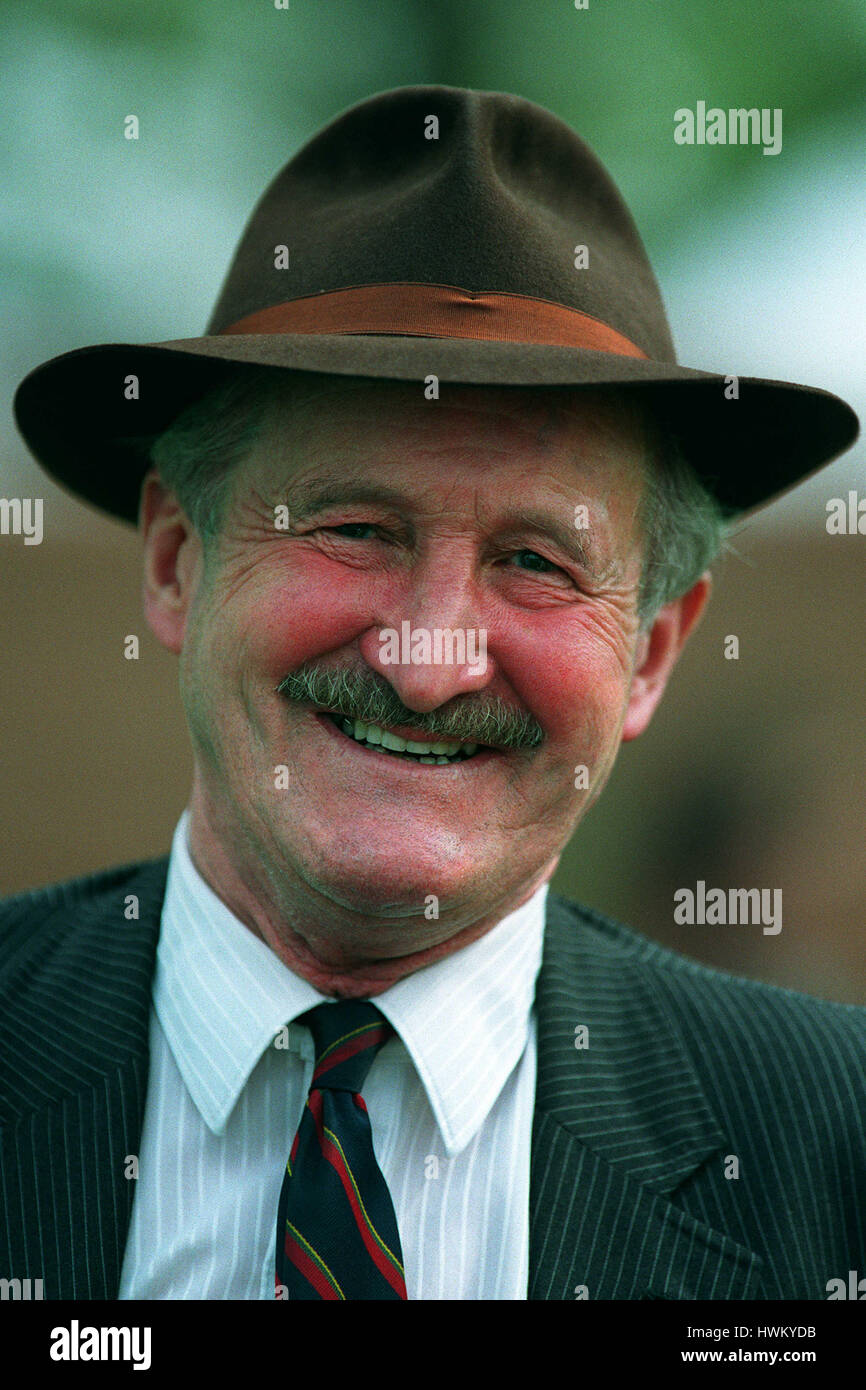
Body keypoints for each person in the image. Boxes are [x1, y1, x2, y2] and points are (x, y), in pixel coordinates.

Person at [2, 85, 864, 1302]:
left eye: (534, 562)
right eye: (353, 528)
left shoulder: (833, 1157)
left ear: (653, 650)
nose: (428, 659)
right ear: (175, 563)